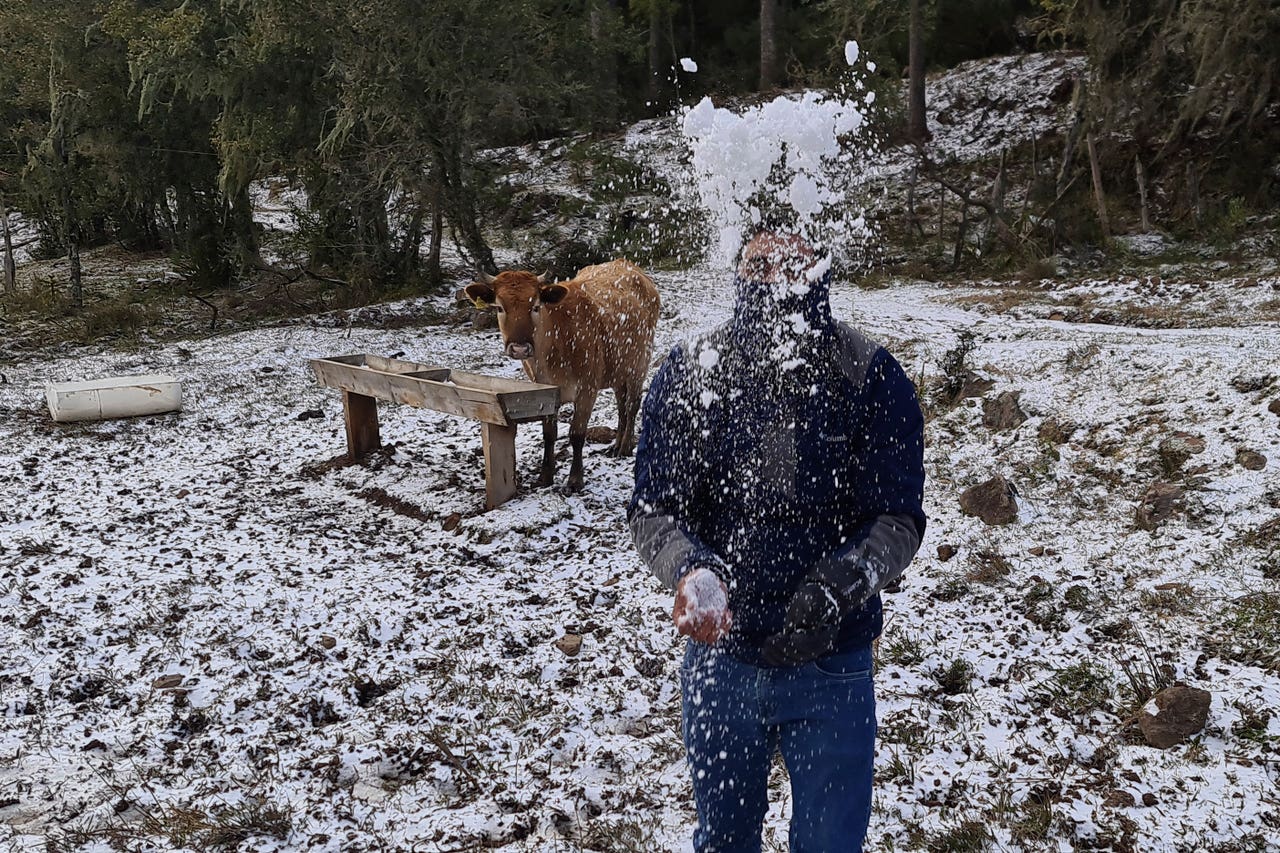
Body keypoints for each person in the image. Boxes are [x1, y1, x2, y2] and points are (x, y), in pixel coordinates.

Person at [628, 230, 926, 852]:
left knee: (828, 844)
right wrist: (691, 569)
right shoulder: (688, 372)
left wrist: (845, 581)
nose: (777, 273)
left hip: (833, 663)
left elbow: (897, 518)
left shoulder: (869, 374)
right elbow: (655, 510)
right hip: (721, 663)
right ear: (736, 261)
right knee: (725, 841)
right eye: (760, 259)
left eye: (794, 256)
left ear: (822, 258)